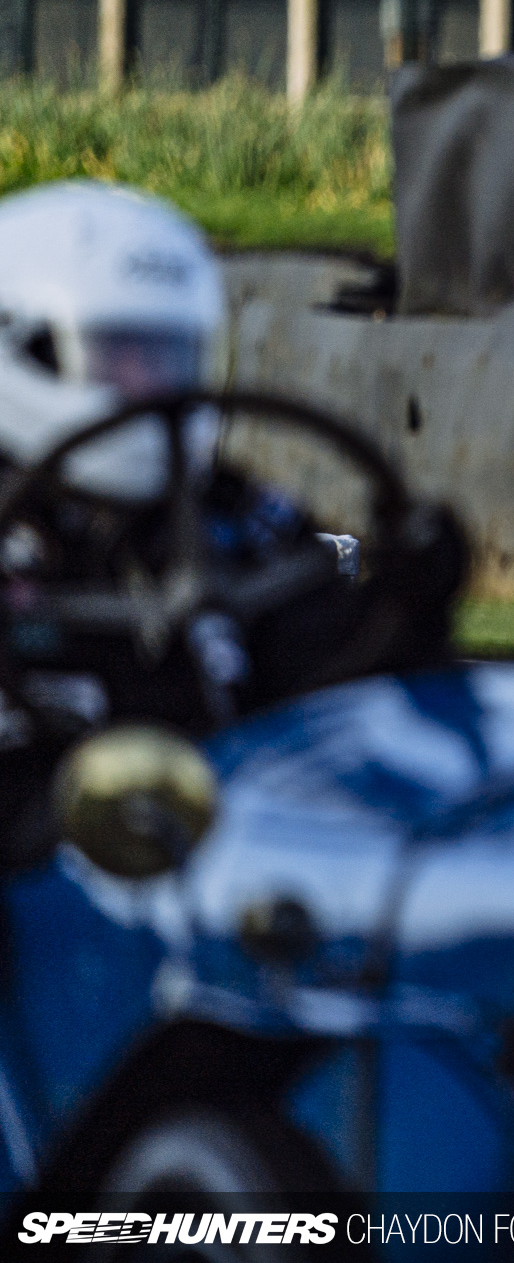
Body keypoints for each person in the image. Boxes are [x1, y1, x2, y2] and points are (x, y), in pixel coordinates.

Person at [0, 182, 464, 860]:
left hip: (233, 853)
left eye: (167, 359)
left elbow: (330, 695)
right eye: (120, 358)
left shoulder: (235, 514)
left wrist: (402, 615)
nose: (152, 388)